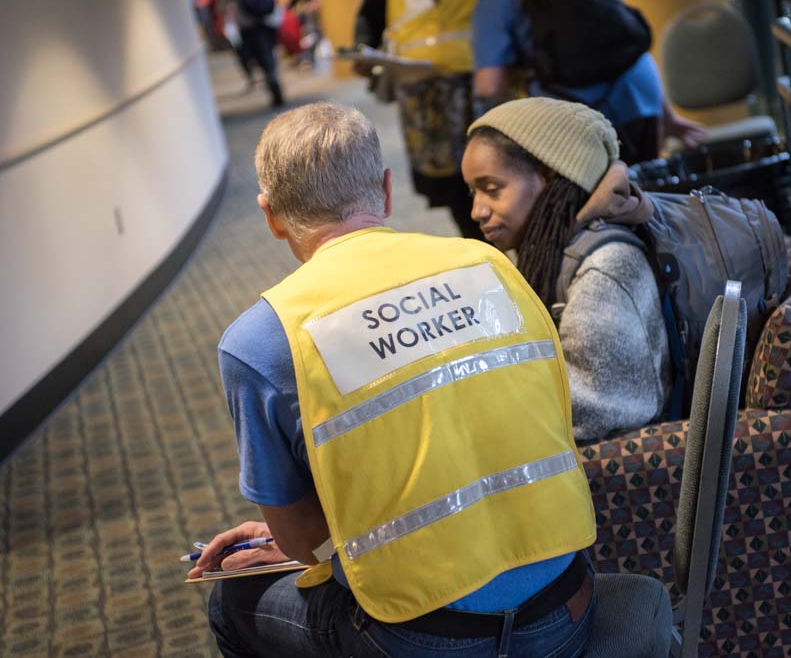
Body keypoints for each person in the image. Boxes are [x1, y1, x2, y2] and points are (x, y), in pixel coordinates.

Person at [193, 102, 599, 657]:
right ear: (386, 191)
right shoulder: (488, 265)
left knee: (232, 605)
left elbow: (304, 542)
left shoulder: (261, 339)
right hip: (567, 607)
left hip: (424, 639)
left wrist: (292, 538)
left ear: (271, 215)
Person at [463, 97, 670, 440]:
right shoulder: (543, 248)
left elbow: (602, 405)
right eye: (473, 192)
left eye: (492, 190)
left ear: (549, 176)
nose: (477, 211)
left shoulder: (605, 268)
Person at [470, 0, 705, 164]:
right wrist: (669, 117)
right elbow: (631, 49)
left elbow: (490, 85)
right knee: (647, 190)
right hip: (641, 98)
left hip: (573, 118)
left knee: (600, 205)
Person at [352, 0, 485, 240]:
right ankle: (479, 245)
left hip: (479, 86)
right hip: (422, 95)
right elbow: (370, 17)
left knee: (492, 170)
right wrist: (362, 52)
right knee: (451, 185)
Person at [217, 0, 285, 107]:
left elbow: (223, 4)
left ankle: (267, 78)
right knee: (268, 53)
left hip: (245, 23)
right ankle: (273, 78)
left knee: (257, 56)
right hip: (267, 19)